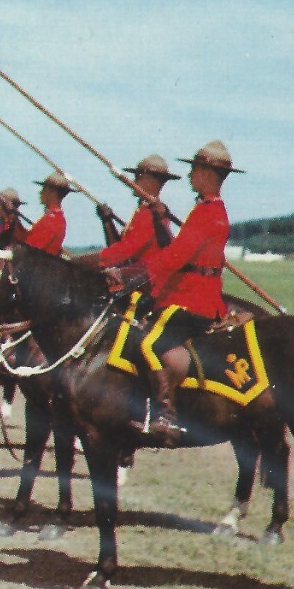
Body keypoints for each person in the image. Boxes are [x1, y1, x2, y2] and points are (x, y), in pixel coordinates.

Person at [106, 141, 239, 447]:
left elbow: (175, 257)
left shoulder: (207, 212)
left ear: (206, 173)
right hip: (193, 294)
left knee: (149, 343)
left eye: (195, 168)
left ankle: (166, 416)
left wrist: (127, 274)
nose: (191, 173)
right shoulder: (209, 209)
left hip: (193, 299)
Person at [95, 155, 178, 266]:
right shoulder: (143, 211)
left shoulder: (152, 214)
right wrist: (107, 220)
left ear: (150, 180)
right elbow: (118, 248)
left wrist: (84, 261)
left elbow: (120, 255)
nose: (134, 181)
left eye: (138, 177)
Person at [22, 171, 71, 255]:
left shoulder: (52, 220)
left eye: (44, 189)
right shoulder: (57, 218)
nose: (40, 192)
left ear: (53, 193)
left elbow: (29, 250)